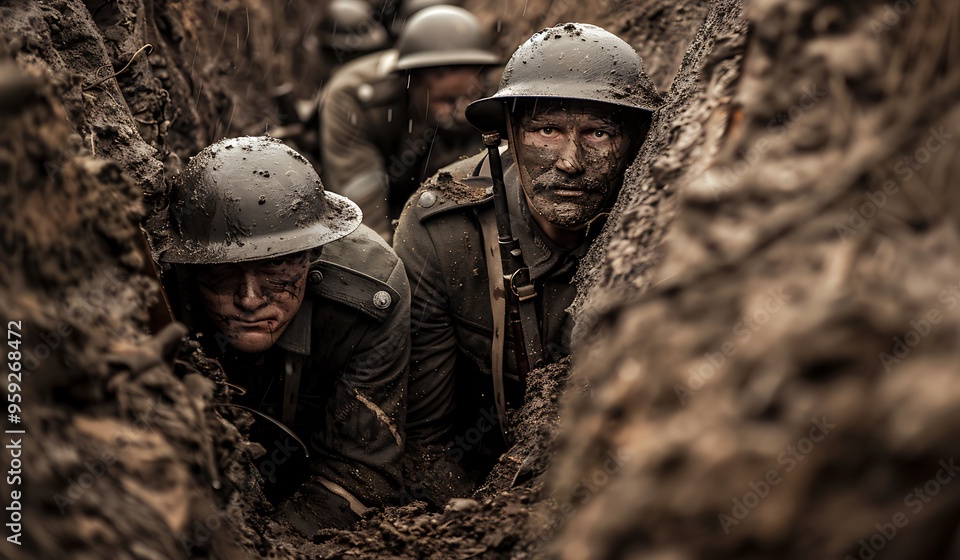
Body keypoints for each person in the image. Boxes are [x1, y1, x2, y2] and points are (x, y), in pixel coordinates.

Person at [393, 23, 661, 478]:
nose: (570, 162)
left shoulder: (664, 227)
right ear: (510, 135)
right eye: (547, 130)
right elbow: (424, 440)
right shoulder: (443, 229)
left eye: (598, 134)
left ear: (634, 141)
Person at [154, 135, 410, 535]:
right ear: (189, 268)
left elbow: (363, 471)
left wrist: (273, 543)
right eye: (222, 273)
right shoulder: (160, 290)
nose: (250, 299)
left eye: (276, 268)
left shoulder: (368, 296)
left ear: (314, 255)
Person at [319, 5, 499, 242]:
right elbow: (362, 208)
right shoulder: (355, 99)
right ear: (413, 81)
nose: (458, 112)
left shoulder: (494, 96)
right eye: (446, 101)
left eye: (466, 99)